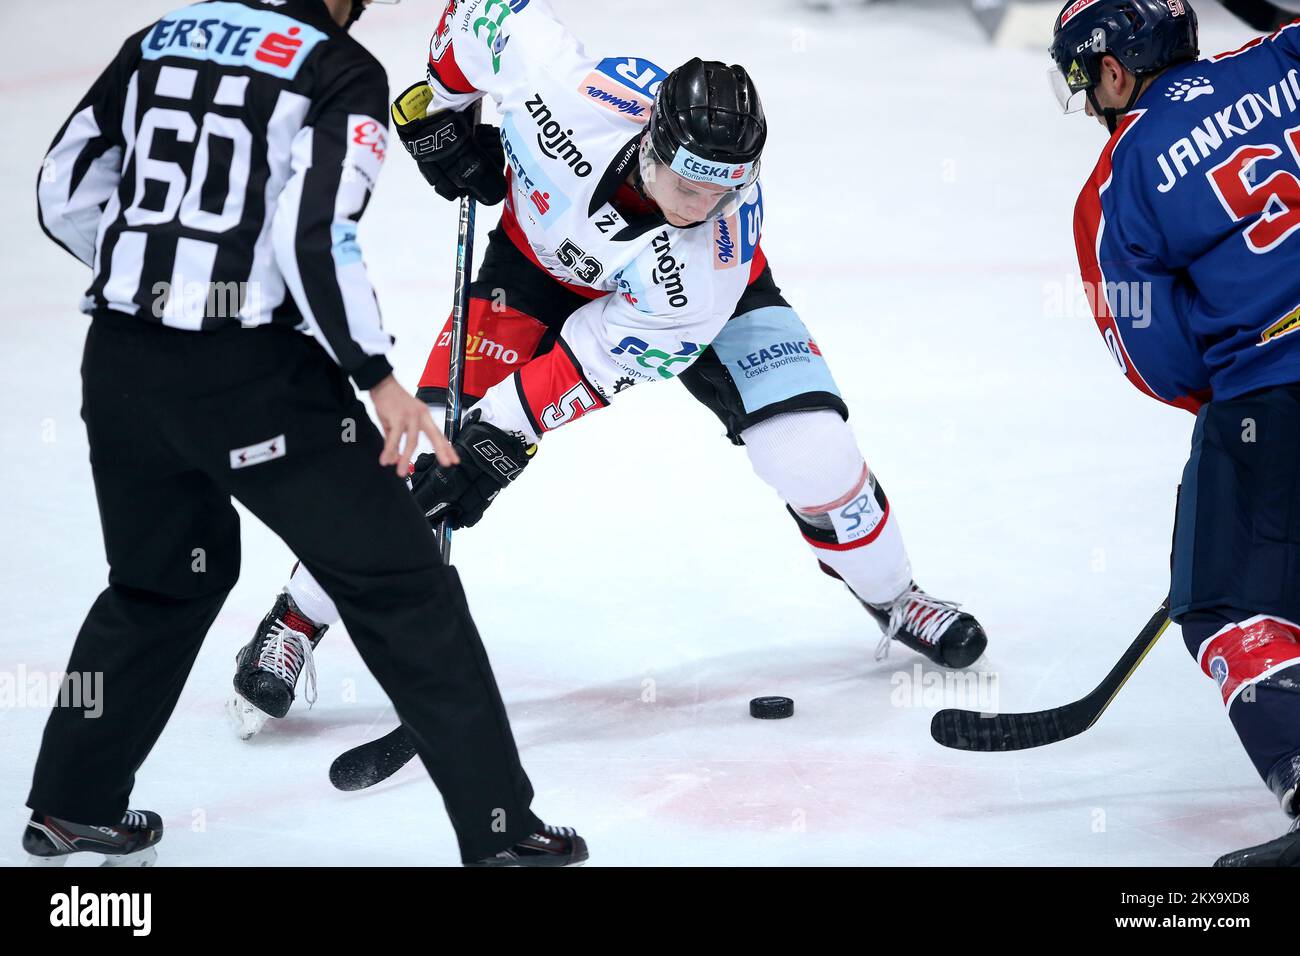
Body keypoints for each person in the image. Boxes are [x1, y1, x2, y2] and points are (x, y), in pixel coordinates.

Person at [227, 0, 990, 739]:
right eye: (690, 187)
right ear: (653, 146)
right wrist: (441, 111)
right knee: (429, 454)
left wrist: (502, 439)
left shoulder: (709, 265)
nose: (704, 206)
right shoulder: (559, 83)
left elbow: (592, 356)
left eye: (726, 189)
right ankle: (293, 621)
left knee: (811, 450)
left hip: (683, 311)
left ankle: (895, 596)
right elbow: (475, 17)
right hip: (529, 268)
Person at [26, 0, 584, 867]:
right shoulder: (334, 65)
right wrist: (377, 377)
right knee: (405, 586)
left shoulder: (159, 37)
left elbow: (62, 190)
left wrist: (161, 277)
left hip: (122, 362)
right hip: (249, 378)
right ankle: (504, 834)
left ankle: (70, 805)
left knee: (158, 583)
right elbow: (312, 233)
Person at [1049, 0, 1300, 866]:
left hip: (1273, 394)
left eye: (1086, 82)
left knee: (1230, 604)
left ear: (1114, 70)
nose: (1089, 105)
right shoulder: (1286, 55)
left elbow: (1149, 353)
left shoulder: (1118, 179)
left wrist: (1239, 414)